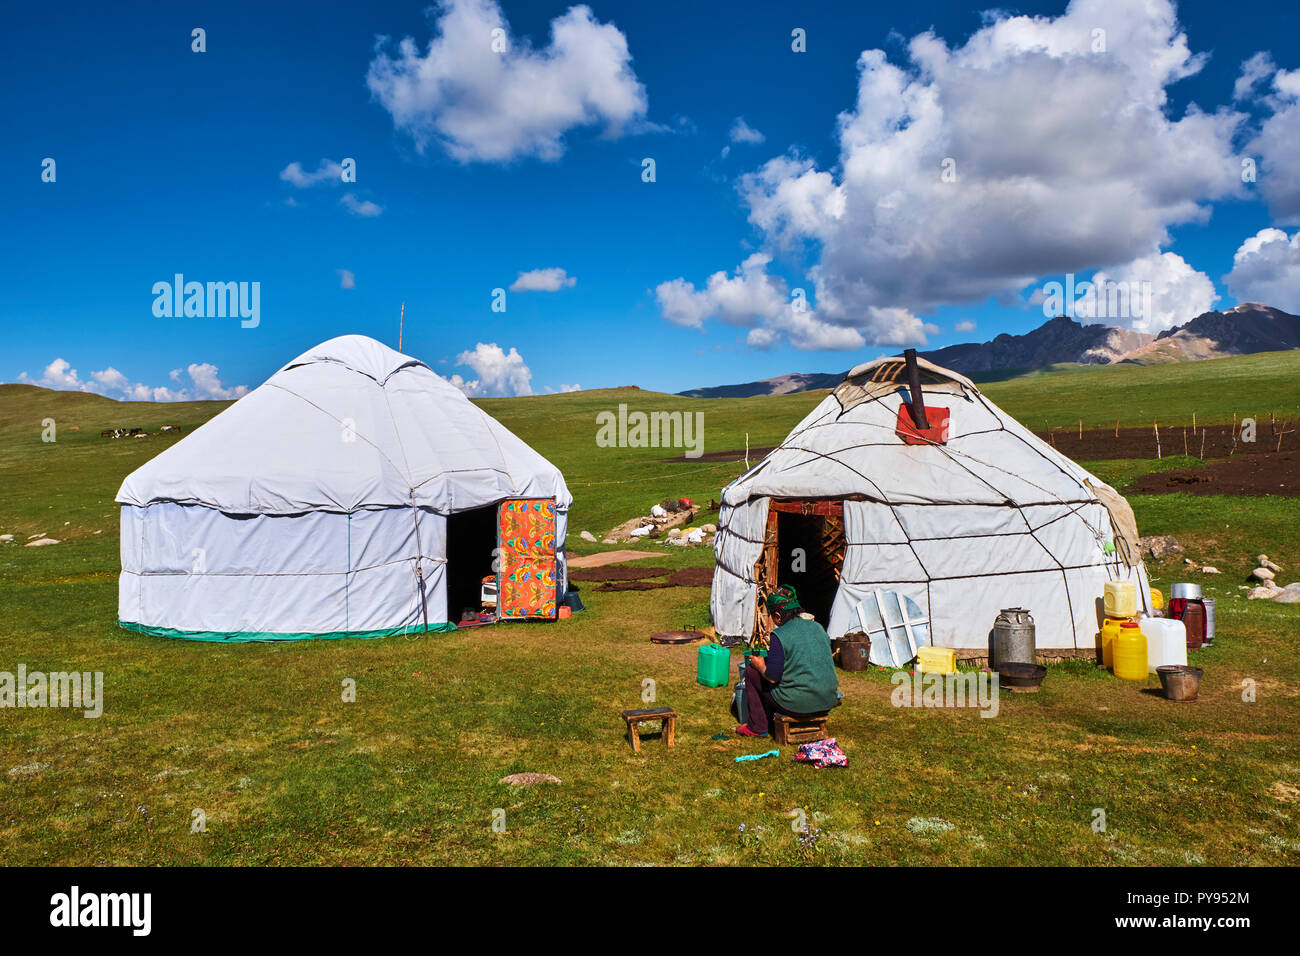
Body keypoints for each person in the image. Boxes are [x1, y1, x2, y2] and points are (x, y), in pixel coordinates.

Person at [736, 585, 840, 737]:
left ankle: (757, 727)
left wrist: (760, 665)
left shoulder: (780, 635)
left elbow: (772, 677)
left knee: (752, 672)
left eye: (773, 616)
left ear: (777, 615)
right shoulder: (818, 627)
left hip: (796, 705)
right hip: (826, 701)